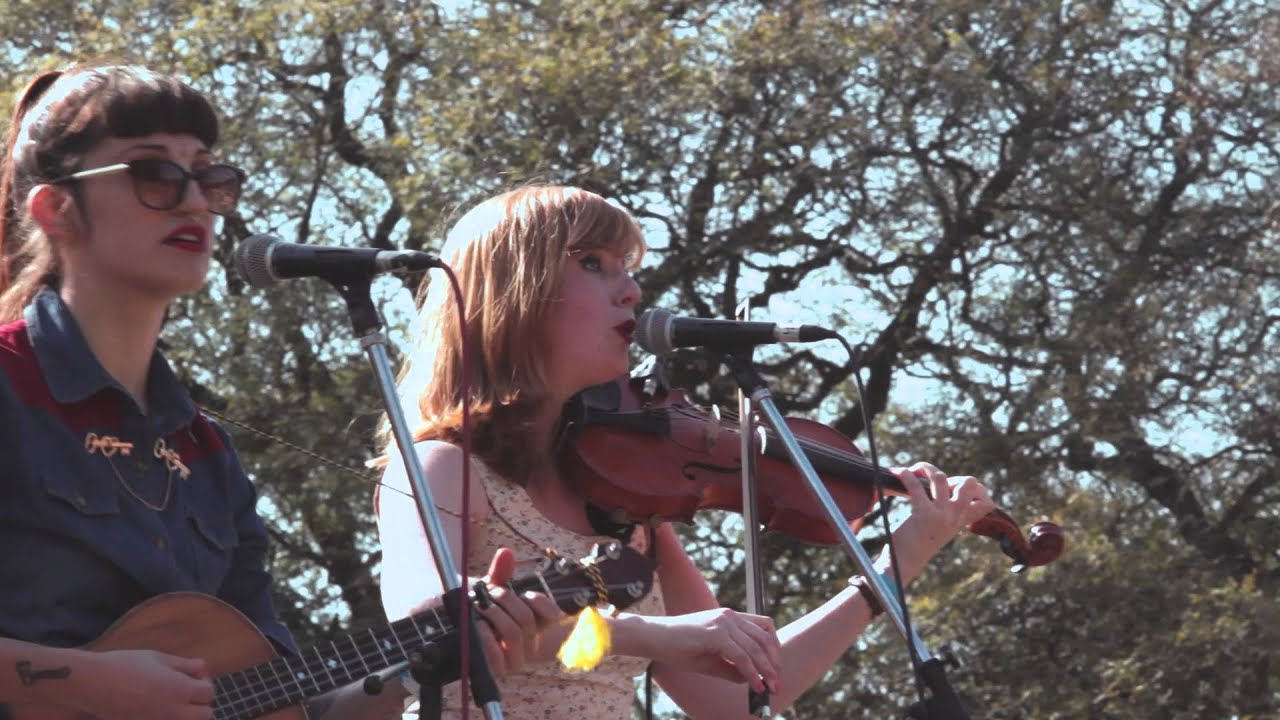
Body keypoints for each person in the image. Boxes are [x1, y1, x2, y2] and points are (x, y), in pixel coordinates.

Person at [376, 184, 998, 719]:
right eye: (595, 263)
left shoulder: (623, 511)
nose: (633, 292)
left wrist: (900, 558)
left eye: (629, 266)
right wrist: (655, 635)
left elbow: (742, 695)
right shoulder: (446, 468)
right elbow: (435, 624)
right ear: (515, 294)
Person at [0, 64, 409, 719]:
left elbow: (282, 704)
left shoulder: (206, 452)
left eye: (210, 176)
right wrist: (81, 681)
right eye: (153, 173)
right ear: (57, 208)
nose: (194, 200)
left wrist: (432, 667)